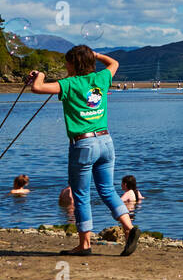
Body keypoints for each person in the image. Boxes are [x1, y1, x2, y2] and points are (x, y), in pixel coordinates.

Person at [29, 45, 140, 257]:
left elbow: (38, 88)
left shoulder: (69, 83)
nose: (66, 66)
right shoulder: (101, 78)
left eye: (68, 62)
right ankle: (129, 228)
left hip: (83, 144)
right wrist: (95, 55)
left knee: (81, 195)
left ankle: (85, 244)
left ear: (74, 64)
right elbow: (114, 63)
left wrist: (40, 75)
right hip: (106, 141)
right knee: (107, 190)